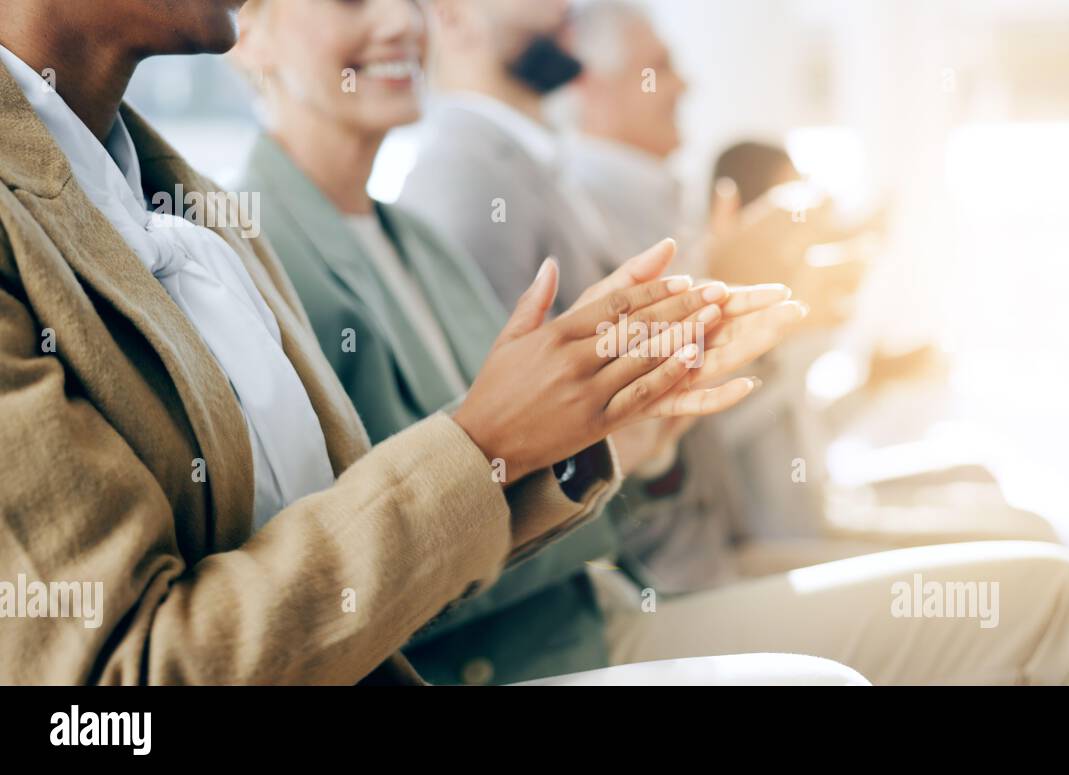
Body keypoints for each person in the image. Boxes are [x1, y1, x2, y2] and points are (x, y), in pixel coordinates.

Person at [0, 0, 857, 686]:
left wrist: (599, 418)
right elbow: (123, 680)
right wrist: (493, 441)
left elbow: (349, 519)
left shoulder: (180, 202)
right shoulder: (240, 217)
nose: (405, 21)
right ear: (254, 43)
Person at [394, 0, 1069, 685]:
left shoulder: (532, 170)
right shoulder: (472, 176)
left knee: (1035, 568)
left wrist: (755, 318)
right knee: (1056, 602)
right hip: (637, 583)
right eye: (659, 70)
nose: (564, 6)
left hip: (656, 563)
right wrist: (728, 314)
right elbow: (517, 455)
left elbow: (589, 427)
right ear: (453, 17)